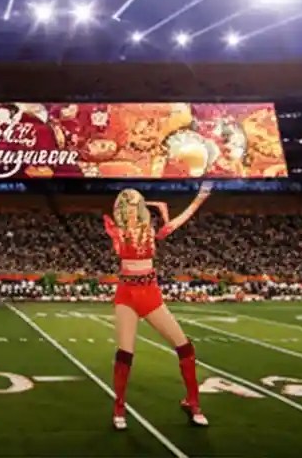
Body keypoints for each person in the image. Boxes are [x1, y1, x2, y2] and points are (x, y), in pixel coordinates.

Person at [103, 184, 212, 430]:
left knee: (185, 347)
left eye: (136, 205)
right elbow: (119, 248)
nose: (132, 210)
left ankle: (193, 402)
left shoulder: (151, 231)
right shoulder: (117, 230)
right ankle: (119, 407)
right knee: (125, 353)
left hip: (150, 294)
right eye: (127, 205)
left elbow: (179, 220)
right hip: (127, 294)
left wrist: (199, 199)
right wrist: (155, 209)